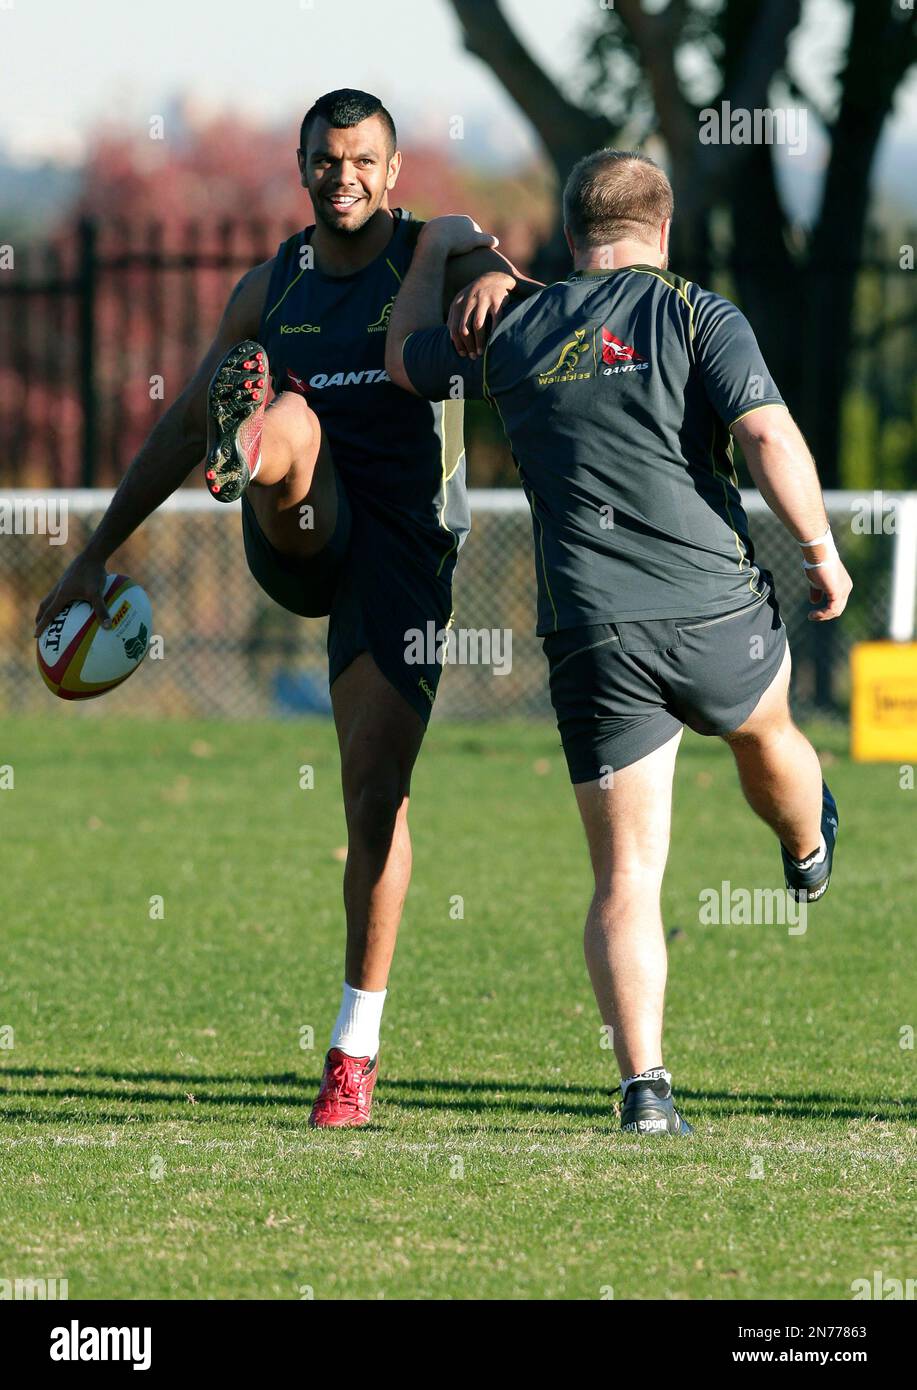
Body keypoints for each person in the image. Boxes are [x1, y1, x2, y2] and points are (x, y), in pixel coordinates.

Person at [35, 88, 538, 1129]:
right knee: (291, 413)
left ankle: (353, 1051)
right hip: (296, 533)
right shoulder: (275, 282)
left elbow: (510, 290)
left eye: (361, 160)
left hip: (398, 559)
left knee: (373, 798)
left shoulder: (433, 252)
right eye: (323, 160)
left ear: (390, 172)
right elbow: (174, 422)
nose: (341, 176)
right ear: (301, 168)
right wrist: (92, 553)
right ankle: (252, 445)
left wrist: (486, 269)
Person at [385, 149, 852, 1137]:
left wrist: (437, 251)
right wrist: (817, 549)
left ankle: (644, 1089)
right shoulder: (694, 313)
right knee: (767, 733)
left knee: (626, 876)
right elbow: (766, 437)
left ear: (570, 231)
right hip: (713, 609)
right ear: (663, 228)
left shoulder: (512, 322)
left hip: (593, 629)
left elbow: (402, 359)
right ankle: (806, 845)